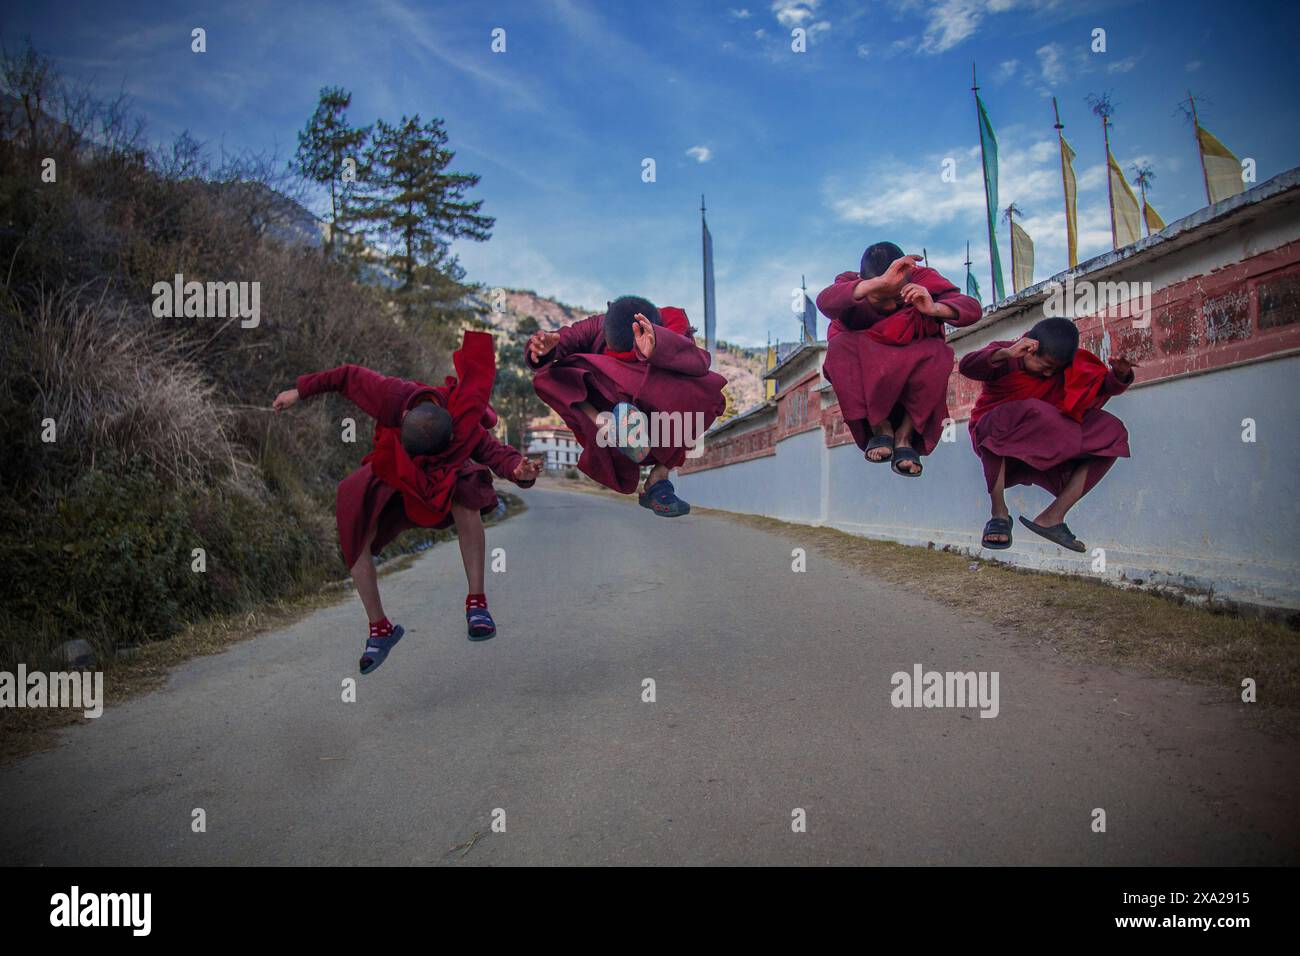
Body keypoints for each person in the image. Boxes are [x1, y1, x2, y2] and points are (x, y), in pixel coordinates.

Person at [272, 331, 540, 672]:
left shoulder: (461, 419)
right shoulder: (390, 396)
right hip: (397, 469)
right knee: (354, 517)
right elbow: (347, 375)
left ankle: (477, 603)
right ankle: (379, 628)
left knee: (468, 496)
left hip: (444, 478)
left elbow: (498, 455)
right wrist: (300, 391)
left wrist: (520, 471)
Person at [527, 295, 727, 516]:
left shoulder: (673, 326)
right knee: (548, 374)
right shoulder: (597, 325)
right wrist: (543, 350)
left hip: (655, 417)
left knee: (710, 397)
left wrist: (658, 348)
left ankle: (659, 476)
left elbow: (699, 363)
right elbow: (562, 339)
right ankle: (605, 423)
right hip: (611, 411)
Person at [958, 317, 1136, 551]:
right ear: (1031, 348)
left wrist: (1120, 376)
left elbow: (1097, 385)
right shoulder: (1008, 354)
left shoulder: (1064, 368)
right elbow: (967, 366)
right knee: (1031, 409)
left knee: (1112, 432)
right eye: (1044, 365)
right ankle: (999, 514)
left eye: (1054, 370)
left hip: (1048, 437)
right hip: (997, 435)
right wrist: (1007, 353)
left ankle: (1054, 516)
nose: (1048, 373)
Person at [817, 242, 982, 477]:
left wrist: (934, 308)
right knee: (839, 349)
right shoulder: (852, 285)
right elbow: (825, 301)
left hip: (911, 359)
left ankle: (905, 437)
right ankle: (880, 428)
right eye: (880, 299)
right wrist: (880, 284)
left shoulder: (922, 278)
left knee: (938, 353)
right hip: (865, 360)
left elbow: (972, 309)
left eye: (896, 298)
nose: (890, 306)